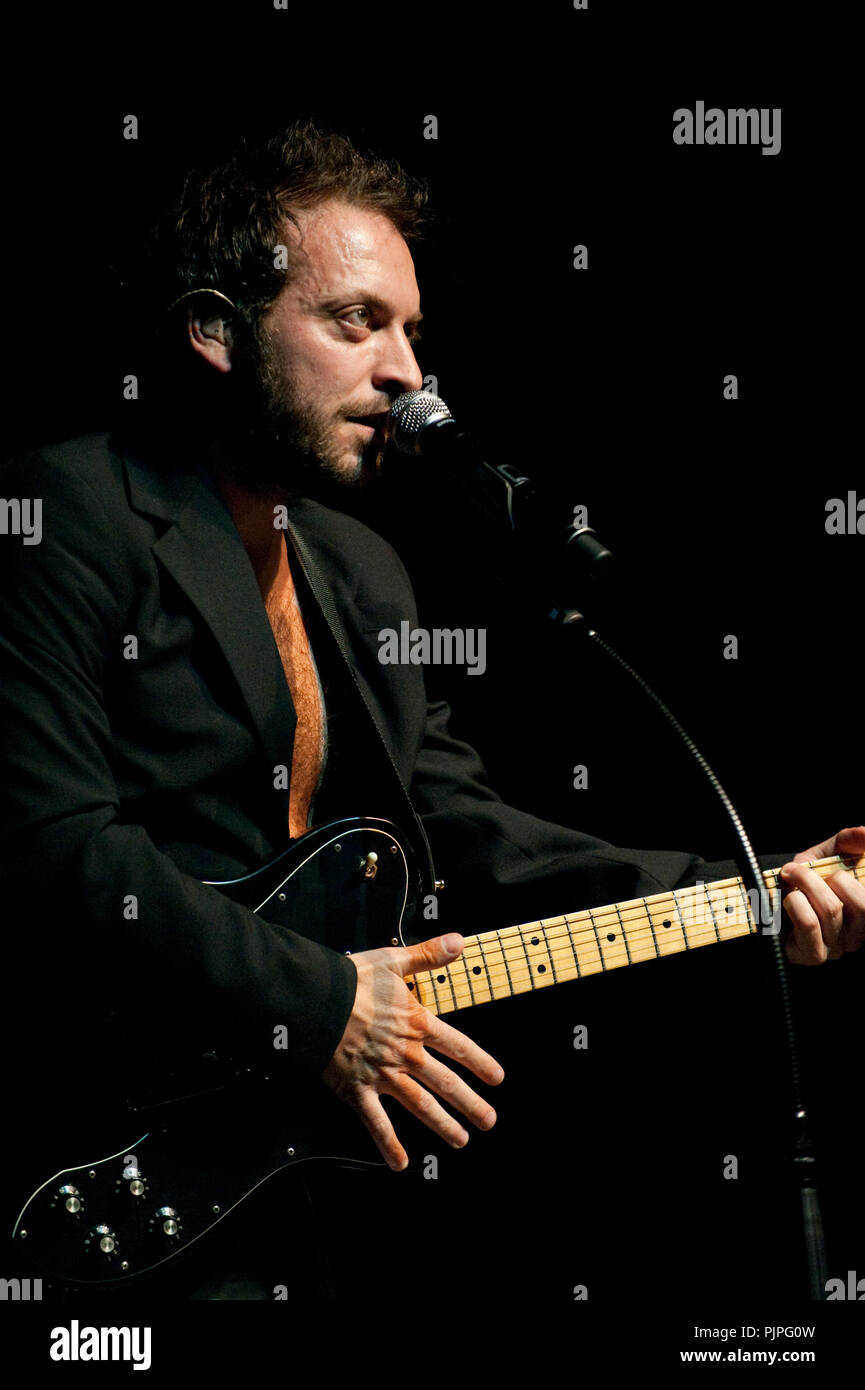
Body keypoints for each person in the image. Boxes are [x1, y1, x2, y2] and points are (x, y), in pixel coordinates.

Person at [1, 121, 862, 1303]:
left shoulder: (359, 570)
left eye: (411, 330)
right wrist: (323, 1004)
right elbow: (51, 844)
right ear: (215, 330)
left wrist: (749, 885)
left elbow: (463, 826)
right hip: (99, 1143)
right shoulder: (69, 508)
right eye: (356, 321)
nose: (409, 372)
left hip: (289, 1175)